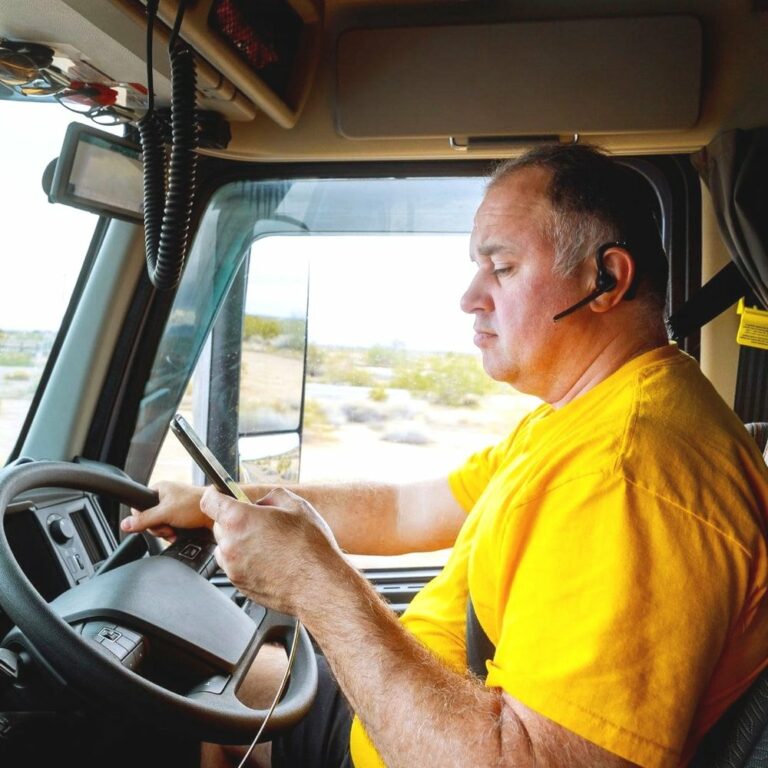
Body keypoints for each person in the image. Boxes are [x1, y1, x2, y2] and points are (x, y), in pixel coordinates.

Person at [122, 144, 768, 768]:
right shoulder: (586, 418)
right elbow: (411, 509)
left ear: (606, 279)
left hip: (442, 739)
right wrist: (227, 504)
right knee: (223, 674)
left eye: (503, 267)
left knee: (195, 689)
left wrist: (317, 585)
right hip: (436, 710)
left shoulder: (624, 475)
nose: (469, 297)